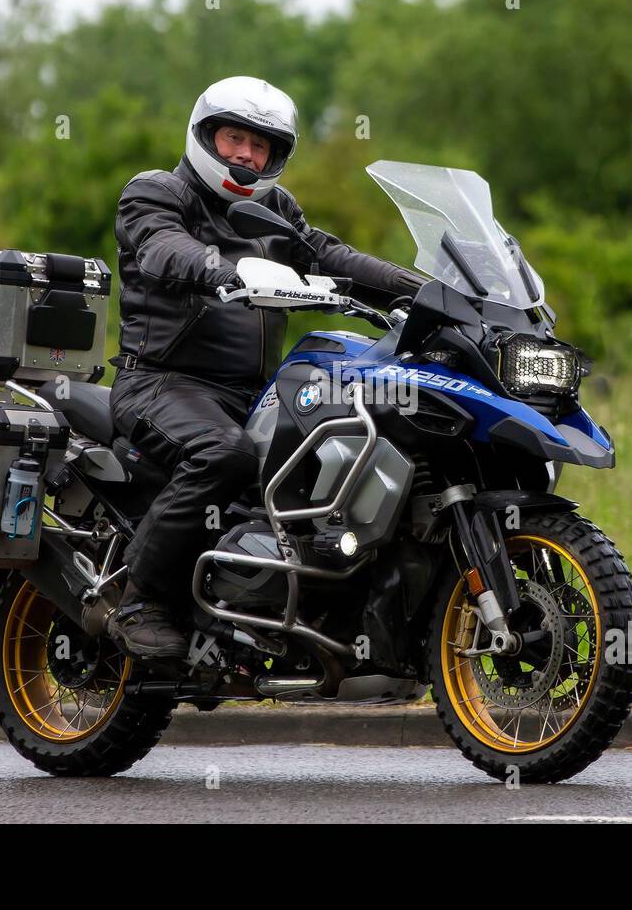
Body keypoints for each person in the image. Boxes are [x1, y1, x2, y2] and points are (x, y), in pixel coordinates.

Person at [107, 75, 422, 660]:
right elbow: (160, 247)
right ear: (206, 136)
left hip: (255, 392)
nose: (247, 156)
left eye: (262, 147)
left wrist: (424, 291)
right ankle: (141, 600)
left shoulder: (274, 208)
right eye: (234, 139)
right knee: (222, 454)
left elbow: (329, 255)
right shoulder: (155, 192)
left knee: (344, 453)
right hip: (161, 383)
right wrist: (227, 271)